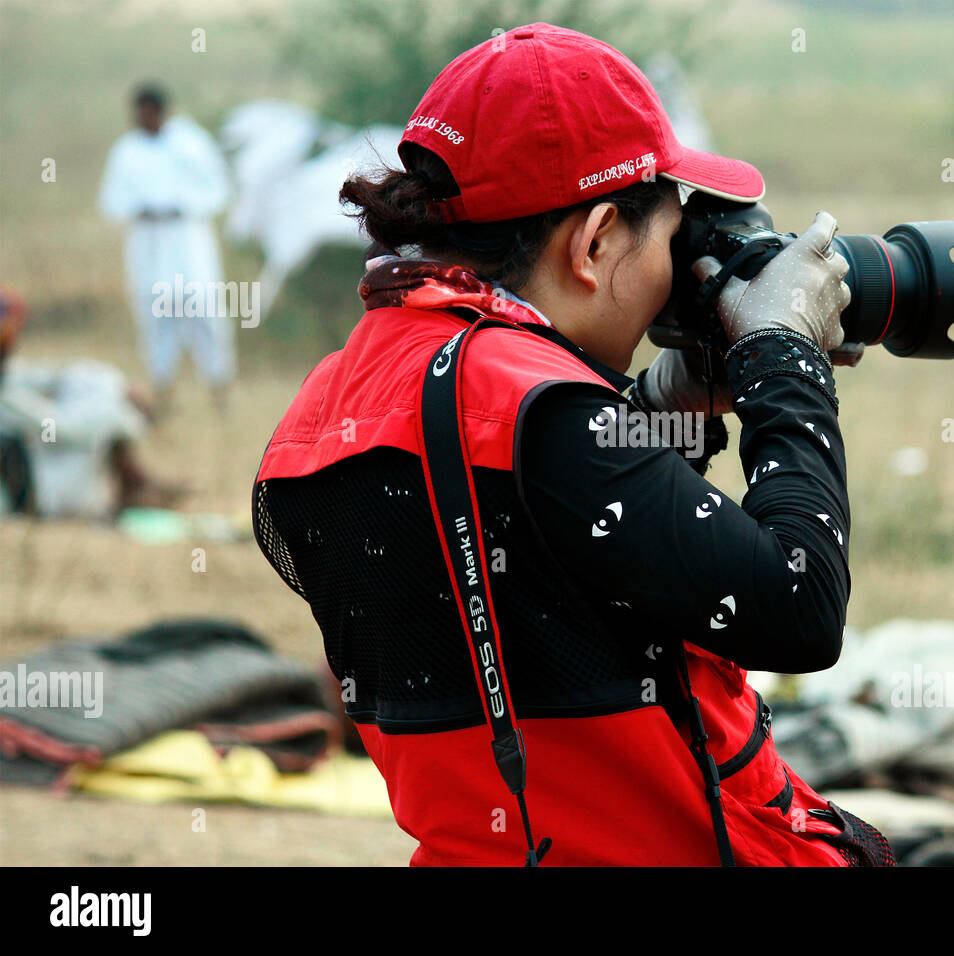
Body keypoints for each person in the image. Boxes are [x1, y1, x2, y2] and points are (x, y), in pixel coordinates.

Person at [252, 23, 894, 867]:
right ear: (592, 244)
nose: (676, 274)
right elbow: (798, 609)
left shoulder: (332, 401)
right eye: (669, 240)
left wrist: (656, 409)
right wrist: (783, 359)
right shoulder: (539, 409)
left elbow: (569, 596)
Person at [98, 84, 234, 411]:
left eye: (150, 112)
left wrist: (184, 206)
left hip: (187, 239)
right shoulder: (127, 150)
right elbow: (111, 200)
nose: (145, 118)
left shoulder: (191, 142)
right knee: (155, 317)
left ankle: (220, 391)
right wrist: (139, 209)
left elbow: (218, 189)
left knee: (204, 312)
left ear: (162, 111)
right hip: (148, 243)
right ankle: (162, 396)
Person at [0, 286, 183, 519]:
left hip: (37, 474)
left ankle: (139, 487)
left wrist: (119, 388)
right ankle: (137, 489)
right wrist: (129, 416)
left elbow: (56, 376)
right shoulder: (7, 398)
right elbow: (63, 427)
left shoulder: (10, 380)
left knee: (99, 394)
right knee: (100, 429)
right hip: (29, 492)